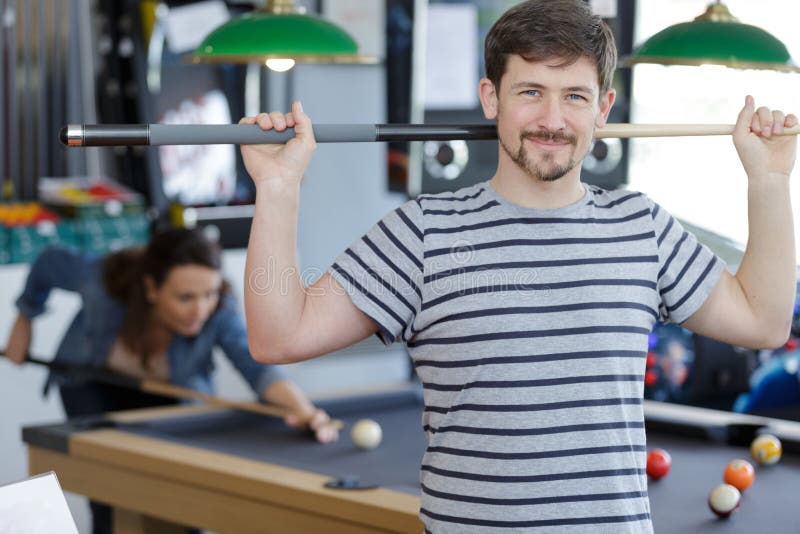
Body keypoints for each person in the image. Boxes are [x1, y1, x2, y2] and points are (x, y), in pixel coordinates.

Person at [238, 1, 797, 532]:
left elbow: (762, 323)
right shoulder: (423, 231)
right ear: (491, 97)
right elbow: (277, 337)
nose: (552, 120)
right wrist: (279, 188)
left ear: (603, 108)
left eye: (574, 96)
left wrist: (770, 183)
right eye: (531, 91)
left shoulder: (641, 226)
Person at [5, 227, 338, 534]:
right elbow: (48, 262)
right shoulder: (104, 281)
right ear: (151, 288)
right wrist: (24, 321)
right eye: (185, 298)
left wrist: (305, 411)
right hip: (92, 386)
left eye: (209, 294)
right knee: (109, 491)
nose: (200, 310)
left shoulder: (219, 311)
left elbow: (258, 369)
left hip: (169, 395)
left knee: (184, 490)